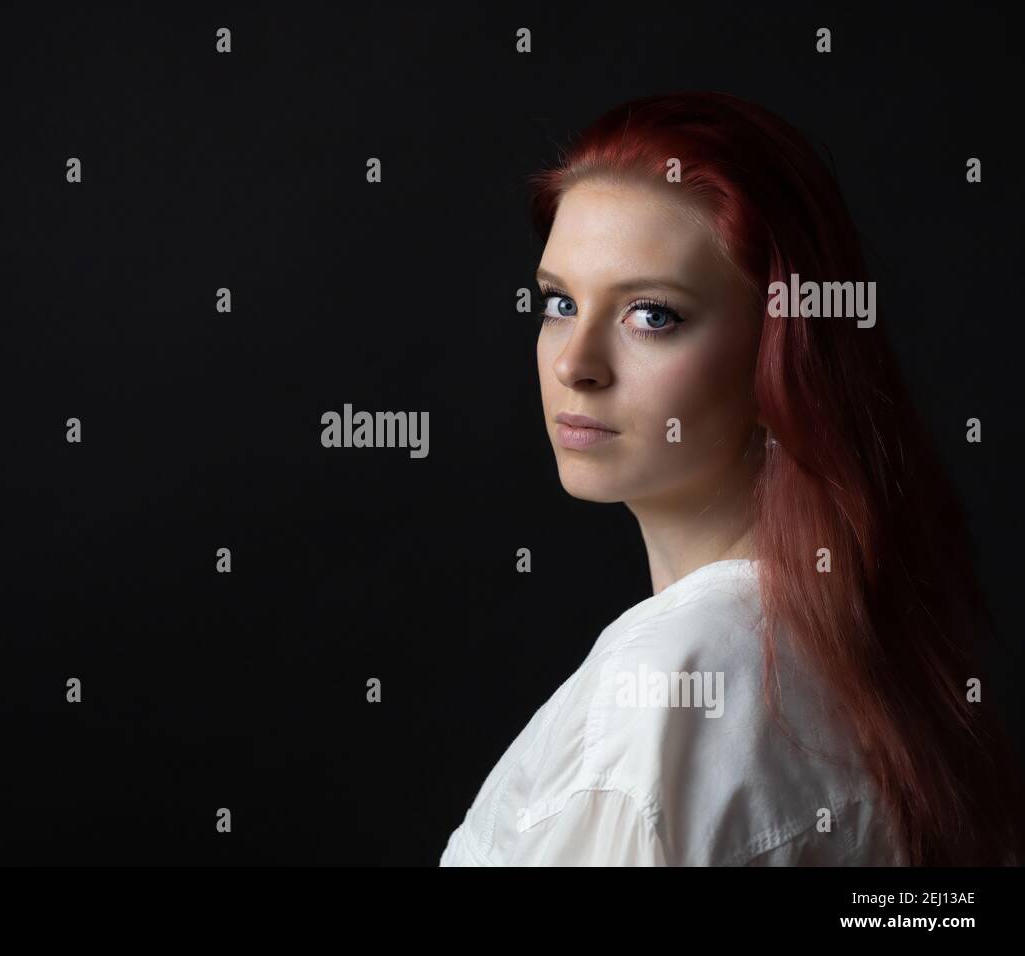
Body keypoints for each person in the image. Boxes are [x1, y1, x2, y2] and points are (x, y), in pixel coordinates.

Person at [439, 91, 1025, 866]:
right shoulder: (864, 648)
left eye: (652, 315)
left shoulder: (662, 692)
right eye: (558, 302)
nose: (574, 364)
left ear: (778, 358)